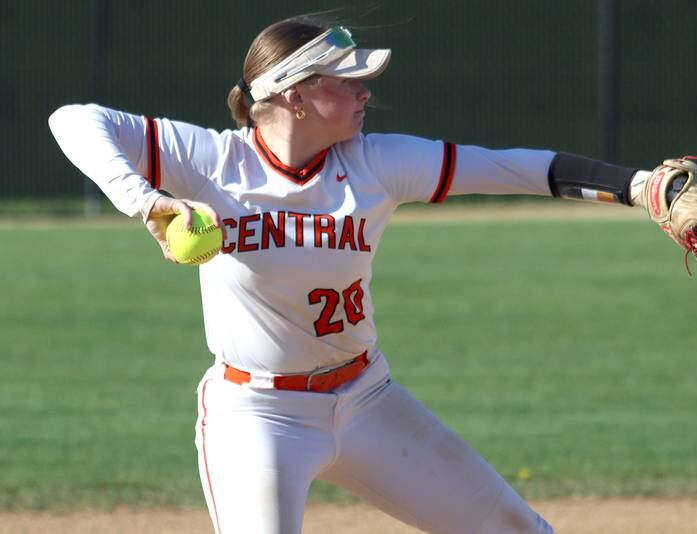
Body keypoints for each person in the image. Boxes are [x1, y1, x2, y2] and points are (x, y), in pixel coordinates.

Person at [50, 16, 660, 534]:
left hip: (368, 398)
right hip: (258, 414)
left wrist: (638, 186)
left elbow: (513, 168)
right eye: (348, 80)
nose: (366, 91)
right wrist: (147, 201)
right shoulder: (213, 160)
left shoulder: (375, 163)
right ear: (295, 95)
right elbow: (73, 119)